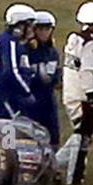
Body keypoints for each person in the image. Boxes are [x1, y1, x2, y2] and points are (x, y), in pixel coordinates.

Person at [58, 1, 93, 185]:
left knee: (79, 133)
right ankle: (73, 175)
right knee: (82, 136)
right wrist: (92, 97)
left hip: (70, 92)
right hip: (81, 96)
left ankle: (54, 164)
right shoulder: (90, 46)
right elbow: (87, 72)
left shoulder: (73, 40)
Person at [0, 3, 39, 118]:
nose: (32, 30)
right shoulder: (9, 42)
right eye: (30, 25)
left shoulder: (7, 40)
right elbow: (11, 71)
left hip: (2, 94)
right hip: (5, 96)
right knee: (10, 129)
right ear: (20, 25)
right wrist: (26, 92)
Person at [27, 10, 62, 143]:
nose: (43, 32)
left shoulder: (52, 52)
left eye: (47, 29)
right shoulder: (26, 51)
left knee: (53, 137)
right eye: (40, 29)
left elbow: (55, 76)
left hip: (48, 101)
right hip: (31, 101)